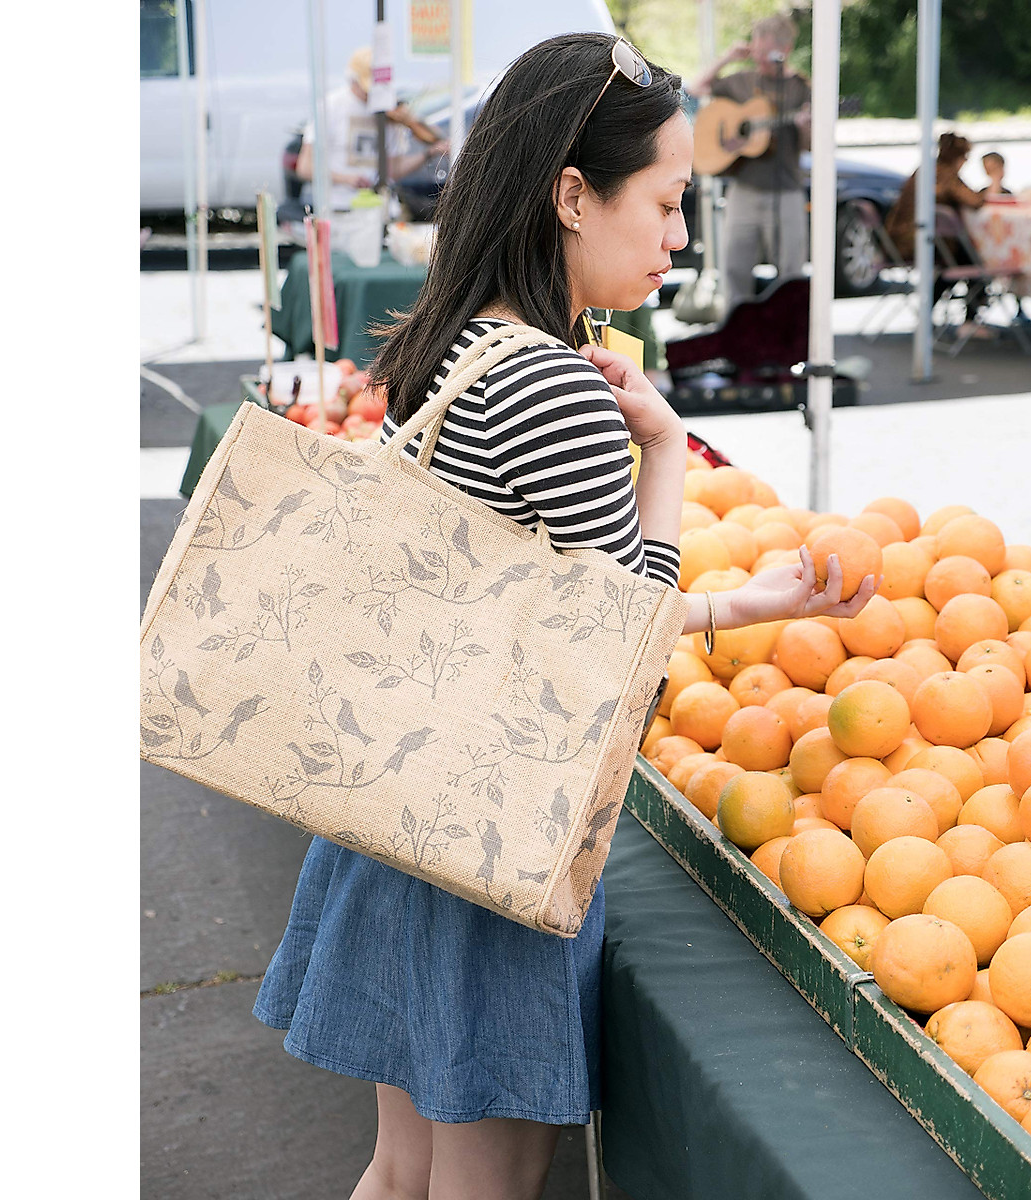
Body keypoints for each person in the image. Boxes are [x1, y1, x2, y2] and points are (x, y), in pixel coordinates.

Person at [253, 33, 877, 1200]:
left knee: (401, 1171)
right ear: (574, 195)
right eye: (668, 204)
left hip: (407, 807)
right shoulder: (553, 385)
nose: (681, 238)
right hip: (495, 851)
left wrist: (742, 603)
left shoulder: (464, 340)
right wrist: (665, 451)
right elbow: (615, 651)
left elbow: (537, 604)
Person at [689, 12, 811, 310]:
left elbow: (810, 146)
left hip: (786, 190)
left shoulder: (802, 88)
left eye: (765, 53)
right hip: (743, 190)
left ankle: (786, 333)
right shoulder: (742, 81)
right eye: (755, 49)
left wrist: (805, 126)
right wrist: (728, 57)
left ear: (785, 50)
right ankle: (736, 333)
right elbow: (695, 88)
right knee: (734, 270)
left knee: (790, 274)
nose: (758, 58)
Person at [296, 45, 450, 213]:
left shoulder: (390, 111)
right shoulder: (331, 106)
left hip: (382, 209)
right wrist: (346, 179)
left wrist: (428, 153)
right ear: (353, 79)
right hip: (340, 210)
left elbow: (393, 170)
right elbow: (304, 167)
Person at [883, 131, 992, 339]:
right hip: (916, 241)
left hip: (896, 239)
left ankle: (928, 314)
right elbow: (974, 201)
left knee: (955, 264)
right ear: (958, 157)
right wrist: (992, 185)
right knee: (974, 262)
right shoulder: (946, 175)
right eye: (965, 157)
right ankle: (969, 319)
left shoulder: (925, 170)